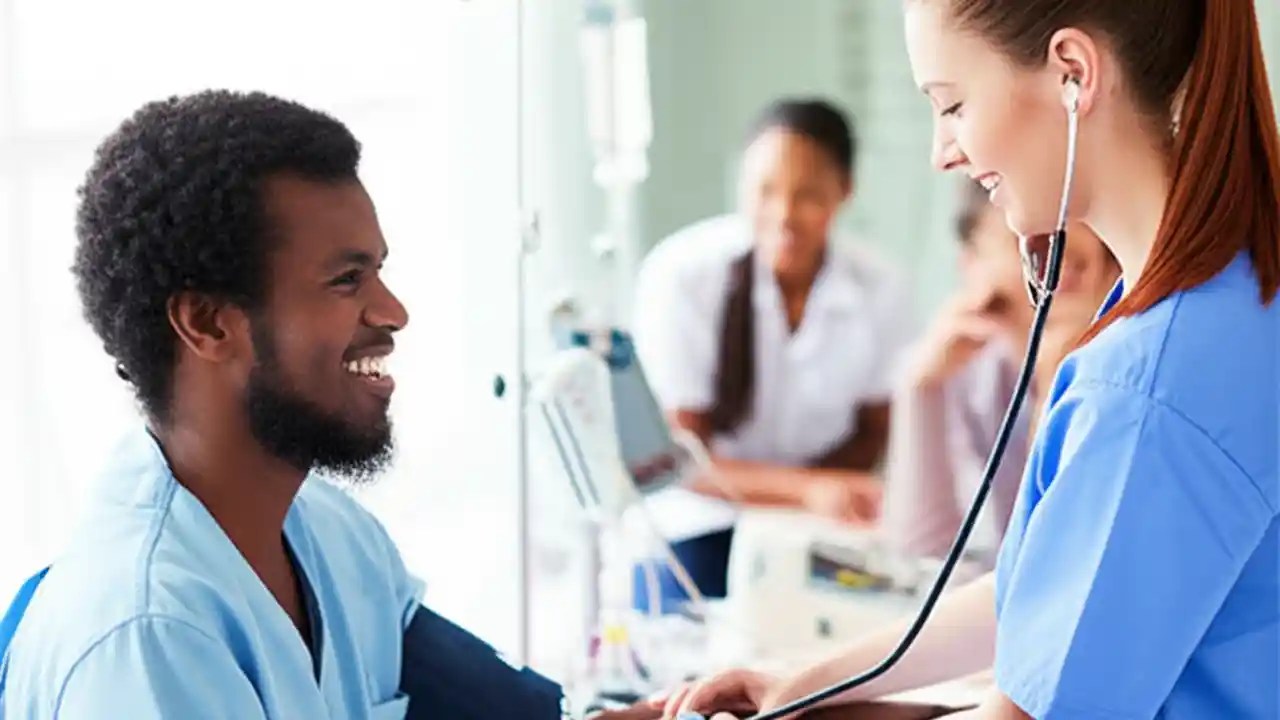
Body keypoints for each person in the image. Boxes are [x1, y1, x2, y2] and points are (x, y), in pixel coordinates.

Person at [653, 0, 1279, 717]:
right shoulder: (1228, 296)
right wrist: (811, 681)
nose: (941, 151)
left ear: (1073, 74)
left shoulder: (1147, 386)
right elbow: (1041, 586)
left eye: (951, 105)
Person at [0, 91, 564, 719]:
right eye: (347, 280)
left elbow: (511, 713)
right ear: (209, 324)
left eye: (377, 271)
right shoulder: (148, 635)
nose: (393, 312)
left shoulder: (329, 532)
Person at [631, 99, 914, 603]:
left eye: (807, 195)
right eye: (764, 191)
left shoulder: (880, 286)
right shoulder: (683, 277)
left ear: (844, 192)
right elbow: (681, 456)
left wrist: (813, 498)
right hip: (705, 522)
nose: (783, 215)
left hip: (823, 524)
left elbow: (875, 430)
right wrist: (805, 490)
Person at [880, 180, 1117, 566]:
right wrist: (920, 390)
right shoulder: (978, 370)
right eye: (1024, 239)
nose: (1063, 245)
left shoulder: (1129, 369)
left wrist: (1051, 393)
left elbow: (1062, 563)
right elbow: (921, 555)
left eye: (1072, 220)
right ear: (971, 267)